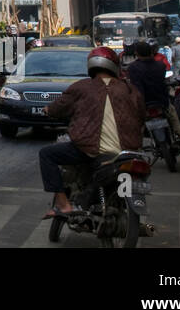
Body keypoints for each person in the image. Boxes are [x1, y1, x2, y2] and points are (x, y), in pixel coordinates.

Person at [39, 47, 145, 218]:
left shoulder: (81, 87)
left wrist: (47, 109)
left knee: (46, 154)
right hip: (128, 152)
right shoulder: (130, 89)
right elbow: (141, 116)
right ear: (114, 66)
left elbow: (58, 107)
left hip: (91, 150)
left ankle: (64, 204)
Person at [126, 40, 180, 142]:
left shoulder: (133, 67)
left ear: (136, 53)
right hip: (161, 100)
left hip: (143, 102)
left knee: (135, 121)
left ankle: (135, 143)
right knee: (172, 113)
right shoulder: (160, 65)